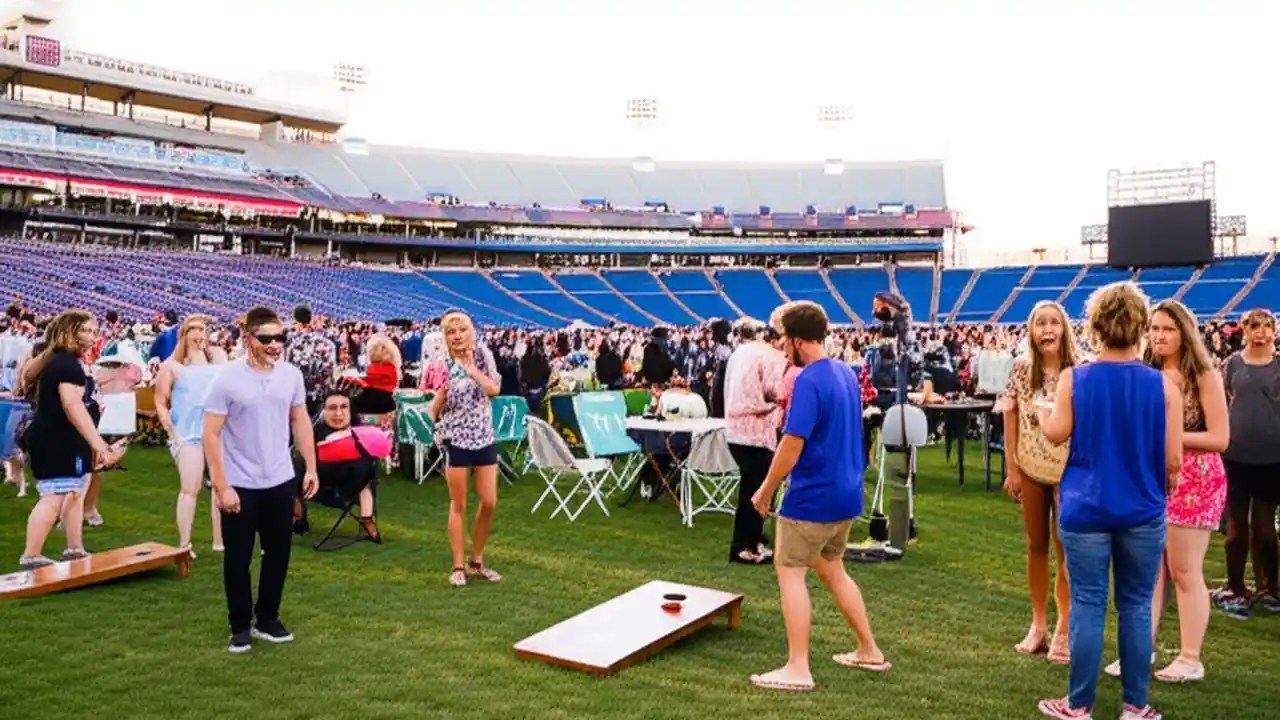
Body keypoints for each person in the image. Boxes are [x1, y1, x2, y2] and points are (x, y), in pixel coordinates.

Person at [1035, 282, 1181, 720]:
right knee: (1136, 605)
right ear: (1139, 327)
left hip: (1085, 508)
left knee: (1087, 604)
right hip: (1142, 507)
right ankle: (1136, 705)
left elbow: (1056, 432)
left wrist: (1043, 414)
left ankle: (1079, 704)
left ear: (1095, 326)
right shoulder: (1163, 387)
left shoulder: (1073, 379)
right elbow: (1173, 459)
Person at [748, 301, 888, 692]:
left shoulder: (809, 380)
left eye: (782, 341)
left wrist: (764, 490)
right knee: (833, 569)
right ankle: (868, 649)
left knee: (790, 573)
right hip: (845, 495)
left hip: (813, 497)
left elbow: (792, 444)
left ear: (794, 340)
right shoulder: (845, 372)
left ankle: (797, 666)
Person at [1098, 300, 1228, 682]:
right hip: (1151, 477)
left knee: (1184, 569)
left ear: (1185, 332)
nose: (1158, 336)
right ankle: (1141, 649)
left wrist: (1168, 436)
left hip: (1196, 478)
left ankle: (1191, 657)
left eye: (1168, 329)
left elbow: (1220, 437)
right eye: (1154, 328)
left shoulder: (1205, 375)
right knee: (1149, 572)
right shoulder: (1147, 374)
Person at [203, 306, 318, 654]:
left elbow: (300, 421)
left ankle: (268, 618)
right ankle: (239, 626)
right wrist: (222, 486)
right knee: (237, 558)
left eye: (280, 337)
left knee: (278, 553)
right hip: (239, 482)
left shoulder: (291, 375)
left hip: (280, 479)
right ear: (248, 338)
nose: (275, 345)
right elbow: (211, 434)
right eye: (266, 338)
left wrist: (310, 466)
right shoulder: (227, 378)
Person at [1002, 300, 1082, 665]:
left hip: (1070, 471)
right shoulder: (1020, 370)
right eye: (1040, 324)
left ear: (1065, 328)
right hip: (1030, 466)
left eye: (1054, 323)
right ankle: (1038, 625)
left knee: (1066, 549)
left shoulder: (1079, 371)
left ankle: (1065, 627)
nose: (1047, 330)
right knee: (1036, 545)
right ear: (1031, 332)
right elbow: (1010, 415)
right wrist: (1013, 468)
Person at [16, 310, 123, 568]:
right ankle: (31, 554)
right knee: (53, 497)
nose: (90, 336)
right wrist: (99, 444)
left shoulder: (62, 360)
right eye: (84, 330)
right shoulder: (66, 364)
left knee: (74, 491)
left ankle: (74, 548)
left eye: (93, 331)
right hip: (59, 440)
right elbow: (72, 405)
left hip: (62, 439)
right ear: (69, 332)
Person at [1213, 308, 1280, 619]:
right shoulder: (1232, 365)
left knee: (1266, 529)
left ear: (1275, 332)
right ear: (1245, 330)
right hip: (1236, 457)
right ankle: (1236, 586)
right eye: (1255, 327)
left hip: (1272, 459)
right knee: (1237, 527)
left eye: (1267, 327)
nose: (1261, 333)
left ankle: (1272, 587)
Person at [430, 310, 502, 588]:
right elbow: (436, 404)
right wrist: (435, 404)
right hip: (456, 438)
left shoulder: (484, 355)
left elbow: (493, 389)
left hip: (483, 435)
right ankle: (459, 565)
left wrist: (473, 371)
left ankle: (478, 560)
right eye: (451, 331)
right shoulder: (442, 363)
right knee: (458, 504)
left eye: (462, 330)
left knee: (489, 501)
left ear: (472, 331)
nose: (458, 336)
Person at [154, 315, 226, 557]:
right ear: (183, 335)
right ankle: (185, 544)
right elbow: (160, 401)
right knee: (189, 488)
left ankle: (220, 540)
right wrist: (170, 429)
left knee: (220, 485)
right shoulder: (172, 367)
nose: (198, 335)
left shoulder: (218, 359)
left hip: (215, 431)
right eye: (193, 330)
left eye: (202, 329)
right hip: (187, 432)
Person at [723, 319, 786, 565]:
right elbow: (775, 391)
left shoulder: (741, 352)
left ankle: (753, 540)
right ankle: (744, 546)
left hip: (736, 430)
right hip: (758, 432)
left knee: (752, 490)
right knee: (756, 493)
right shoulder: (773, 358)